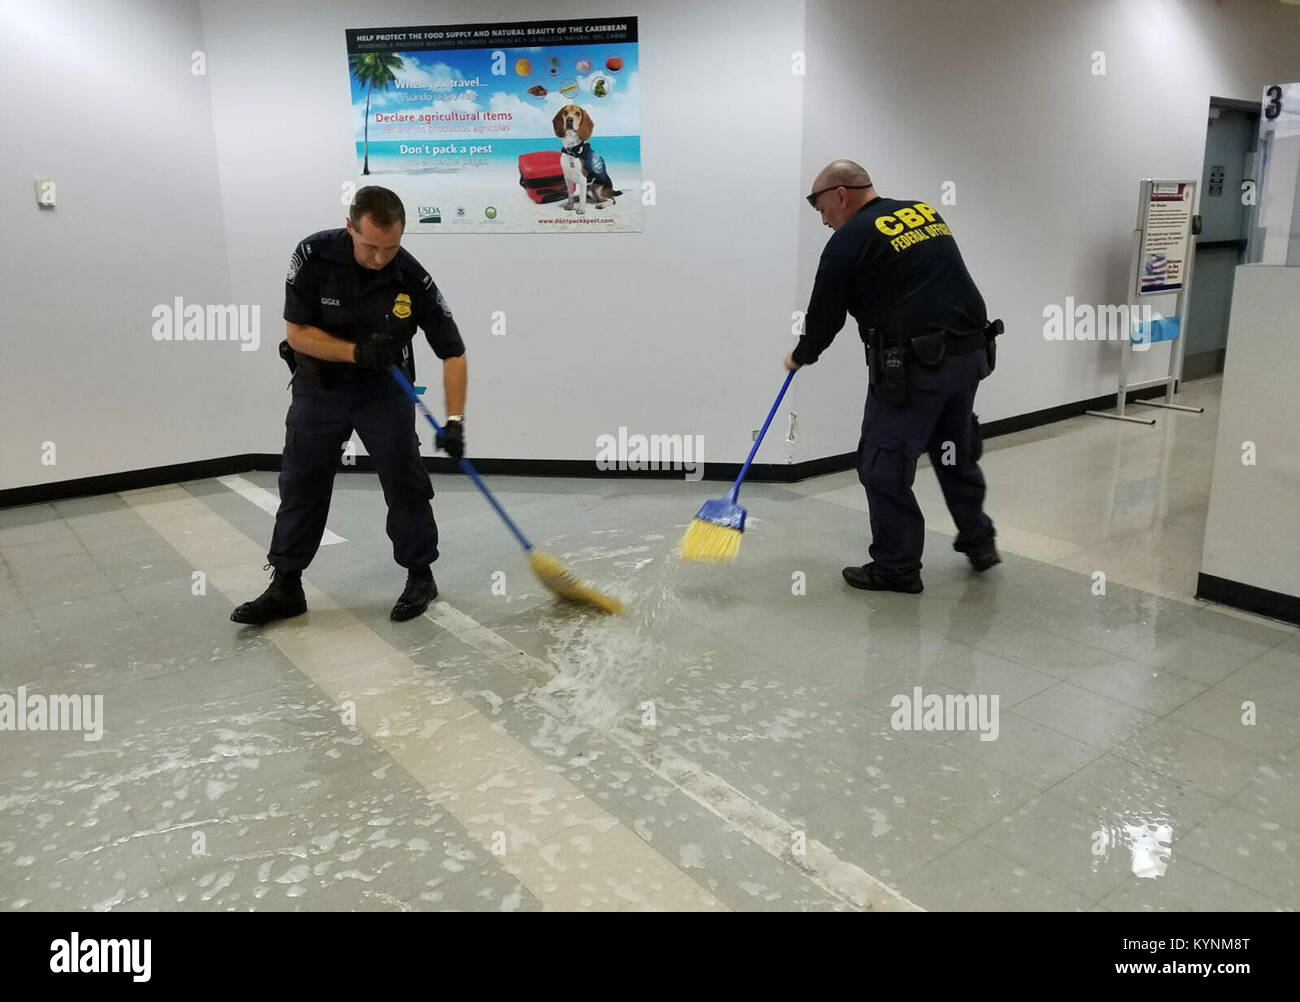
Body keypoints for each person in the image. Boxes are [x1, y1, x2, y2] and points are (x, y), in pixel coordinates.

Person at [231, 186, 467, 625]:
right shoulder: (313, 255)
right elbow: (298, 334)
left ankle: (420, 575)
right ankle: (286, 584)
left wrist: (454, 421)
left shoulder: (412, 276)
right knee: (301, 482)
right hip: (319, 389)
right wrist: (356, 352)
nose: (381, 258)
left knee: (405, 481)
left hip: (385, 393)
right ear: (350, 228)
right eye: (370, 247)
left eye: (391, 247)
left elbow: (452, 351)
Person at [786, 160, 1000, 594]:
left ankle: (896, 567)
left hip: (916, 368)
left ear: (841, 194)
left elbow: (825, 316)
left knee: (882, 463)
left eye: (821, 207)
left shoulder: (848, 240)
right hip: (970, 355)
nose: (823, 219)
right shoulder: (922, 212)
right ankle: (980, 541)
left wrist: (801, 355)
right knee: (953, 450)